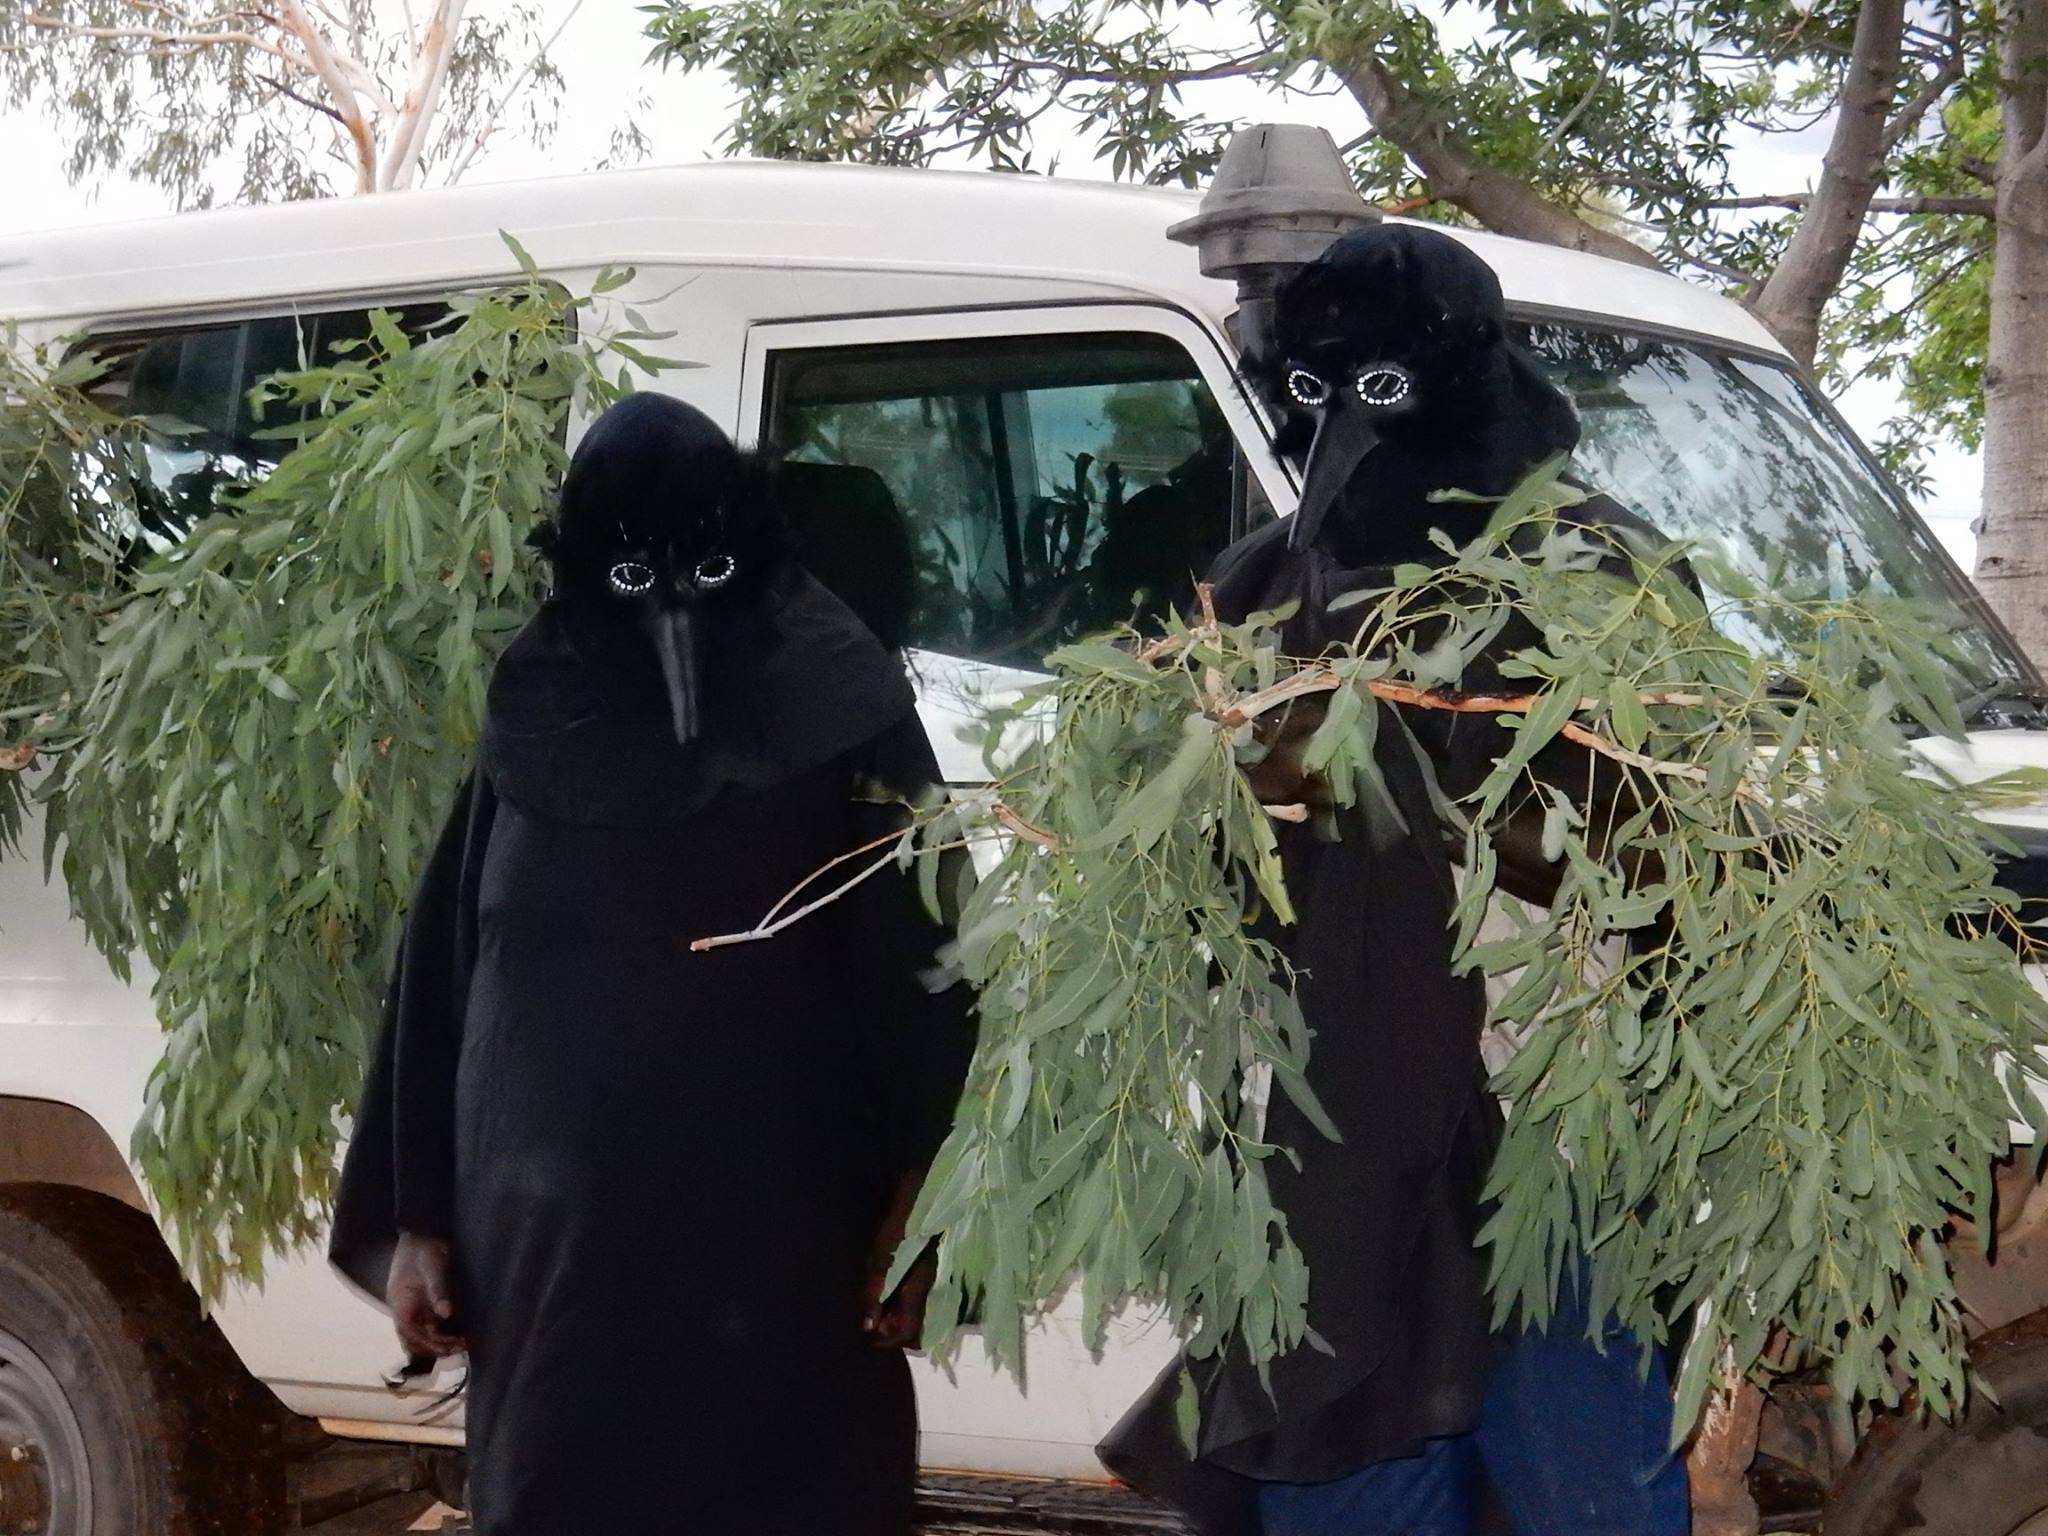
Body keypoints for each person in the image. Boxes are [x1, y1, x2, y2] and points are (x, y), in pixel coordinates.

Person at [1098, 224, 1692, 1535]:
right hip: (1334, 1129)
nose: (1344, 431)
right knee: (1345, 1465)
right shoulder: (1260, 583)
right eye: (1314, 388)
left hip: (1541, 1114)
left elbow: (1651, 846)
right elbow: (1233, 864)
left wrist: (1467, 747)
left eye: (1380, 386)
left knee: (1582, 1477)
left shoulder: (1586, 569)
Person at [328, 393, 976, 1536]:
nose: (672, 605)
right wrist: (419, 1221)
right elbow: (445, 982)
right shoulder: (538, 710)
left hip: (785, 1258)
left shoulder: (842, 705)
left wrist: (928, 1209)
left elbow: (934, 971)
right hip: (558, 1277)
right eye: (632, 574)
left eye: (707, 565)